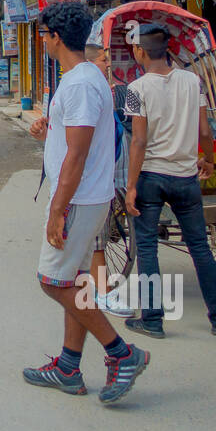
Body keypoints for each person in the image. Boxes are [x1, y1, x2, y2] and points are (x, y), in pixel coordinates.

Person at [23, 2, 149, 404]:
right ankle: (68, 366)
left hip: (77, 199)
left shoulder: (78, 83)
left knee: (52, 280)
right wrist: (50, 132)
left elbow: (77, 156)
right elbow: (79, 144)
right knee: (75, 280)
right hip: (88, 197)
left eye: (43, 35)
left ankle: (121, 353)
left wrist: (57, 210)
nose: (42, 42)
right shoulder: (87, 78)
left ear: (56, 37)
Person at [123, 25, 216, 338]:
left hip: (151, 176)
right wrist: (209, 159)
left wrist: (131, 186)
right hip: (186, 176)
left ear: (142, 52)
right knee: (200, 247)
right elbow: (204, 131)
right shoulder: (193, 81)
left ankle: (152, 320)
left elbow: (139, 141)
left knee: (147, 248)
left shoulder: (137, 88)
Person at [85, 43, 133, 318]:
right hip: (110, 174)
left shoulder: (126, 90)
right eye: (104, 60)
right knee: (98, 238)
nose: (109, 65)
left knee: (97, 237)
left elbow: (136, 132)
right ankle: (101, 292)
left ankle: (99, 291)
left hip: (121, 173)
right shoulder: (113, 91)